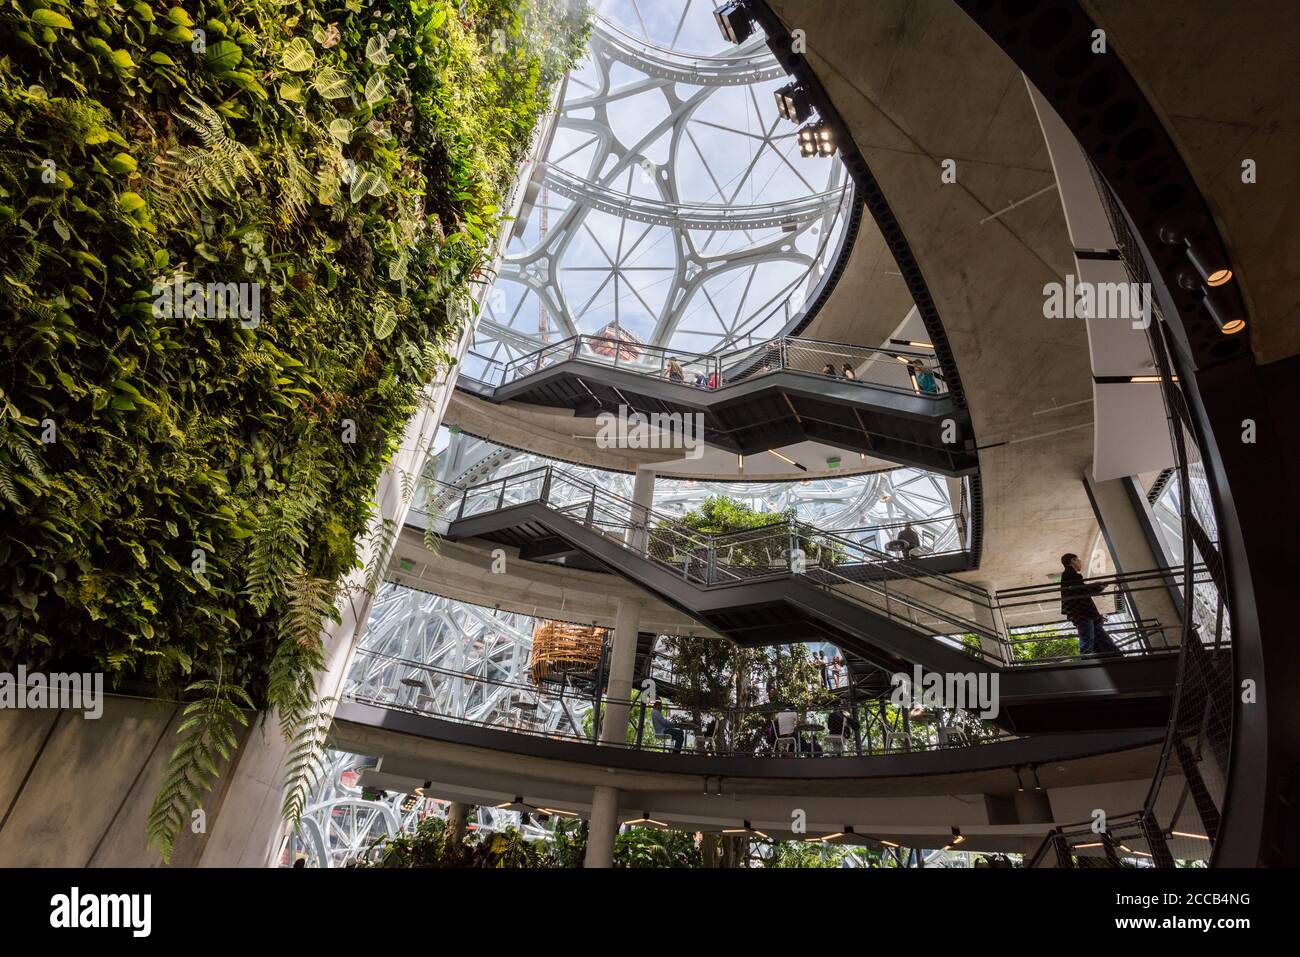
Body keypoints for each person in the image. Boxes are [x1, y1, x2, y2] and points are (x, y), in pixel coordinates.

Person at [1059, 553, 1120, 656]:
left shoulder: (1069, 575)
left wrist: (1096, 586)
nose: (1080, 563)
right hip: (1083, 613)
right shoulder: (1071, 574)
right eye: (1078, 560)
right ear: (1072, 561)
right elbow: (1082, 591)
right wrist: (1098, 586)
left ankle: (1115, 656)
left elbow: (1081, 591)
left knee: (1100, 639)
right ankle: (1091, 661)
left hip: (1084, 613)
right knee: (1089, 640)